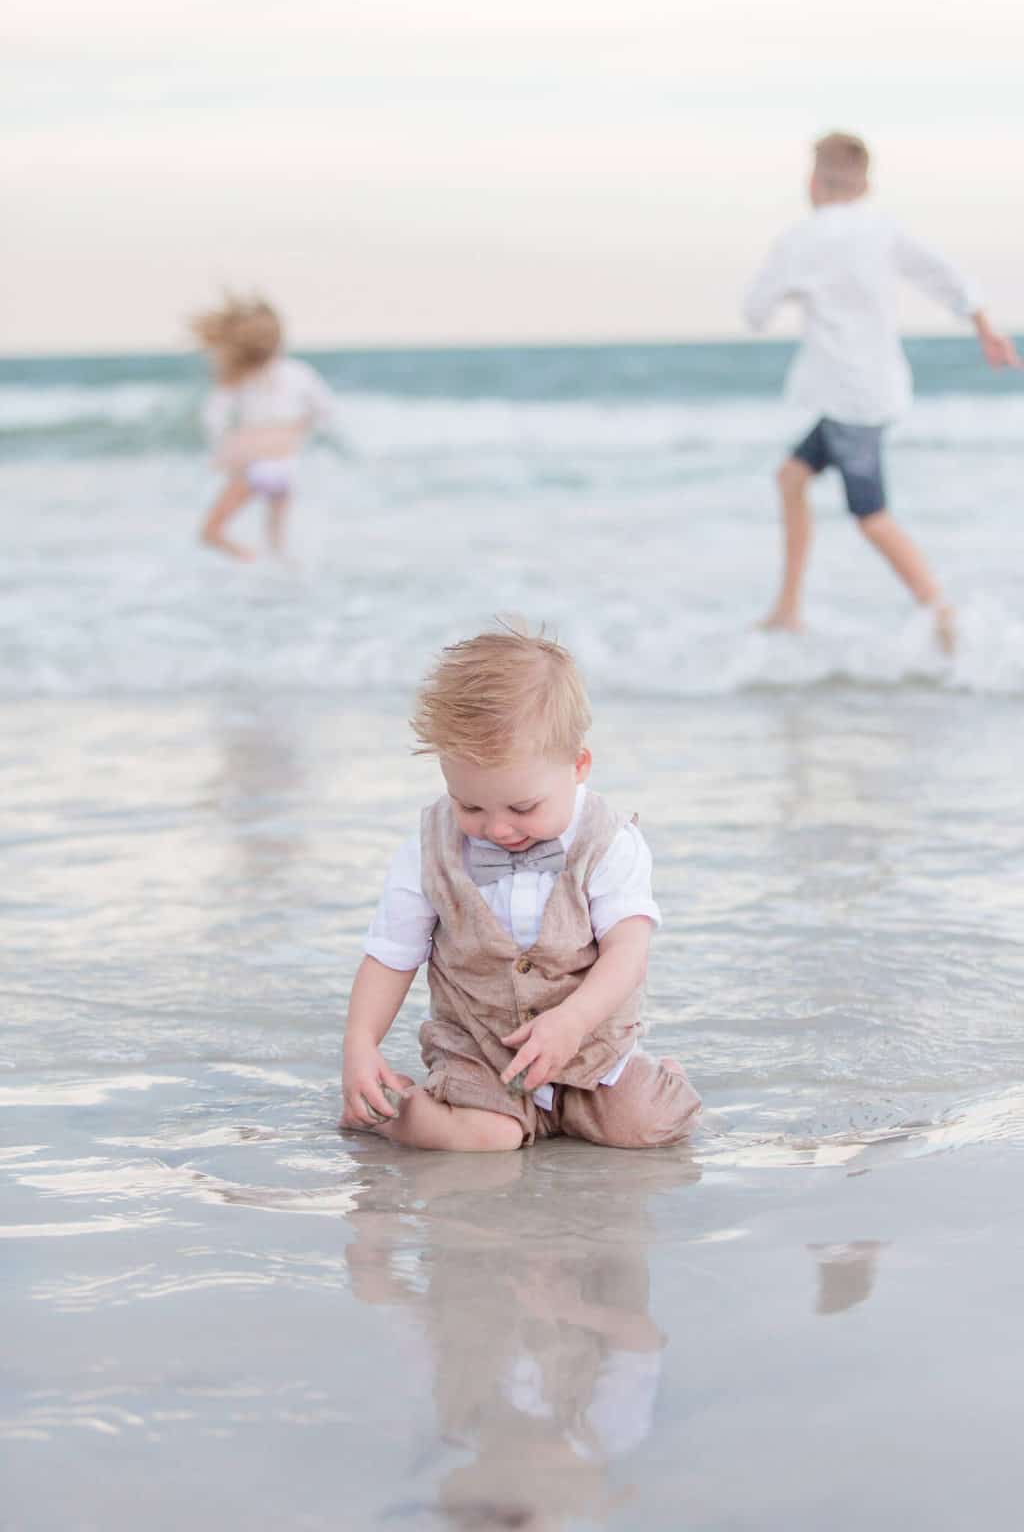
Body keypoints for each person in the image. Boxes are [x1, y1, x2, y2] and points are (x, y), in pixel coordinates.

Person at [340, 624, 701, 1152]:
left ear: (578, 766)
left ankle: (652, 1077)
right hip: (481, 1053)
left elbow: (629, 952)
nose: (499, 829)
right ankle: (389, 1113)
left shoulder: (610, 843)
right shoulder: (429, 849)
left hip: (588, 1048)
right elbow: (391, 955)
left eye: (523, 808)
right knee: (491, 1137)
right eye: (470, 806)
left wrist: (574, 1021)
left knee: (647, 1126)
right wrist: (360, 1043)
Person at [744, 132, 1020, 650]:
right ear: (865, 182)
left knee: (870, 516)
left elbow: (754, 313)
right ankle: (787, 609)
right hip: (871, 392)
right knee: (791, 477)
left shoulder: (799, 241)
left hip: (849, 398)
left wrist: (792, 290)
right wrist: (986, 329)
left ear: (813, 180)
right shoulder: (884, 231)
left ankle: (943, 615)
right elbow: (949, 279)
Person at [191, 296, 337, 560]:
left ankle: (249, 561)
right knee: (277, 541)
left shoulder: (239, 378)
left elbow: (213, 418)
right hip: (286, 467)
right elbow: (325, 411)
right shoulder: (299, 372)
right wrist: (300, 431)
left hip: (254, 468)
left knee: (210, 533)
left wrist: (226, 452)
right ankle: (281, 583)